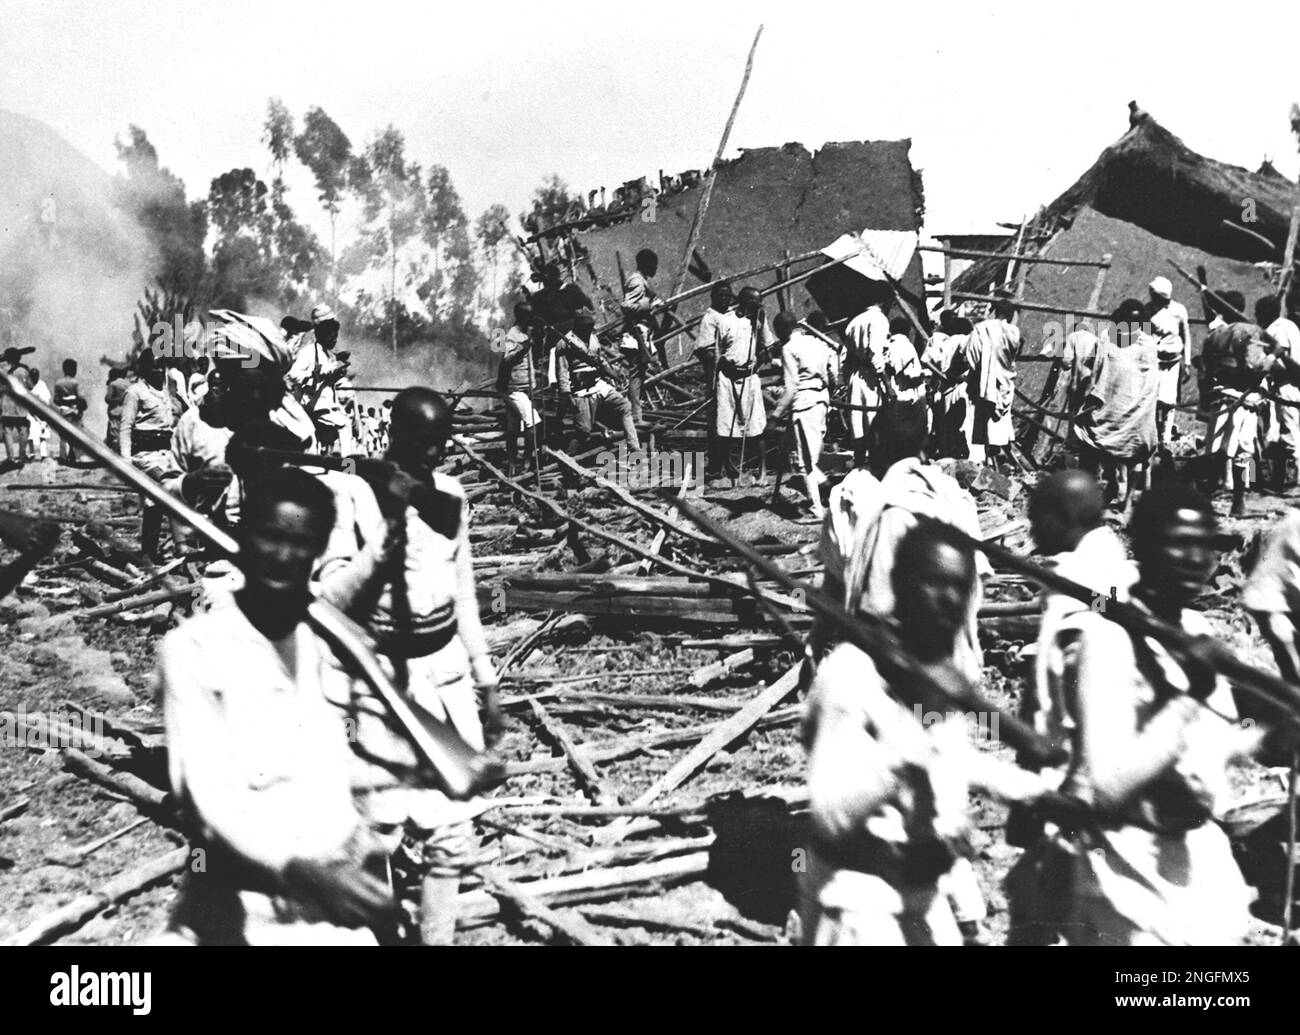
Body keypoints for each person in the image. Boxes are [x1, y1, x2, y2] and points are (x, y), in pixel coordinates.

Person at [1006, 486, 1264, 945]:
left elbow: (1211, 743)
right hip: (1128, 863)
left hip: (1198, 861)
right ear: (1143, 549)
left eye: (1204, 545)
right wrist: (1191, 693)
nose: (1193, 557)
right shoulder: (1109, 639)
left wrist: (1262, 737)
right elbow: (1109, 783)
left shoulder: (1198, 631)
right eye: (1178, 542)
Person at [158, 469, 396, 945]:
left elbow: (371, 770)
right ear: (242, 536)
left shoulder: (335, 644)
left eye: (302, 543)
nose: (284, 556)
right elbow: (208, 795)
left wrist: (377, 843)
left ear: (319, 550)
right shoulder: (195, 647)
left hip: (338, 901)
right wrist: (299, 870)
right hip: (240, 906)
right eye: (269, 537)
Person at [798, 522, 1054, 945]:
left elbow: (950, 758)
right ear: (899, 582)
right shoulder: (850, 674)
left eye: (960, 587)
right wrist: (906, 743)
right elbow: (830, 814)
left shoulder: (930, 669)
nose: (949, 599)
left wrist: (1029, 790)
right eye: (935, 583)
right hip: (859, 907)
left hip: (921, 899)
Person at [315, 387, 503, 945]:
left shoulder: (448, 495)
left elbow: (464, 597)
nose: (435, 452)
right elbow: (330, 599)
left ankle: (436, 939)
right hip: (377, 684)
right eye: (422, 440)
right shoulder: (349, 494)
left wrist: (486, 681)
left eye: (442, 440)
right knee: (378, 833)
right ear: (392, 434)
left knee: (452, 838)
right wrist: (381, 546)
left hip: (443, 678)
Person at [1070, 301, 1160, 509]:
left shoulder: (1147, 345)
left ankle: (1127, 501)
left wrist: (1144, 408)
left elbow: (1150, 381)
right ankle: (1107, 485)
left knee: (1135, 452)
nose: (1130, 328)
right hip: (1111, 404)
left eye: (1134, 324)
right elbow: (1094, 368)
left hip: (1137, 410)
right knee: (1099, 442)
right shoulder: (1107, 340)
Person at [1199, 307, 1276, 516]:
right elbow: (1254, 366)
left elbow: (1205, 369)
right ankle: (1238, 501)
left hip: (1220, 396)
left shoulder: (1214, 336)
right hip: (1243, 399)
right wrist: (1270, 361)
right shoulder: (1250, 331)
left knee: (1216, 449)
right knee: (1243, 452)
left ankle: (1208, 498)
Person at [771, 311, 839, 518]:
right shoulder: (819, 343)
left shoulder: (788, 348)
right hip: (821, 400)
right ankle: (823, 486)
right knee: (793, 446)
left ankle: (817, 506)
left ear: (783, 329)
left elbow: (791, 387)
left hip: (804, 403)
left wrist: (775, 415)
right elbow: (833, 374)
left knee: (805, 462)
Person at [121, 350, 181, 560]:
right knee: (168, 486)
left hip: (165, 453)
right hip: (145, 455)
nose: (158, 371)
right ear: (144, 369)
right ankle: (178, 549)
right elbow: (126, 427)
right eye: (153, 367)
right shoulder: (135, 392)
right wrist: (126, 459)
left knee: (155, 500)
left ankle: (150, 551)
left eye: (161, 367)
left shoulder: (165, 392)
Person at [557, 308, 640, 456]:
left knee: (625, 407)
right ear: (578, 325)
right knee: (583, 432)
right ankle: (566, 459)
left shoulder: (593, 339)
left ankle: (634, 449)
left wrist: (614, 375)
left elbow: (600, 361)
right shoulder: (565, 343)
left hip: (598, 385)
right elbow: (562, 371)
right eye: (587, 326)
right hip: (580, 391)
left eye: (591, 326)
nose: (590, 329)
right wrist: (567, 394)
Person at [709, 285, 770, 484]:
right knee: (726, 425)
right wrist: (726, 366)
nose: (758, 307)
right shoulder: (726, 321)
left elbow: (767, 349)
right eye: (754, 304)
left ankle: (762, 472)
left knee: (757, 425)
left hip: (750, 379)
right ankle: (732, 473)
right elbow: (718, 353)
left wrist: (756, 364)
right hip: (727, 379)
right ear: (743, 303)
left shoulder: (759, 321)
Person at [964, 289, 1020, 468]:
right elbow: (1012, 357)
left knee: (982, 426)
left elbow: (971, 355)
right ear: (1010, 315)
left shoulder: (982, 329)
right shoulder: (1013, 332)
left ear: (995, 311)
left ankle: (986, 464)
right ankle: (998, 462)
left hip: (983, 384)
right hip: (1004, 382)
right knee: (998, 426)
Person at [287, 303, 352, 455]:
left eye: (335, 336)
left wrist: (337, 373)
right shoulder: (309, 352)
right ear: (321, 334)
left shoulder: (326, 355)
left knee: (315, 444)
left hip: (323, 405)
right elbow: (293, 374)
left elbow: (326, 380)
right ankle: (350, 468)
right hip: (312, 406)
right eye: (332, 336)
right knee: (345, 425)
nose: (335, 340)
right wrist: (316, 375)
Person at [843, 285, 892, 469]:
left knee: (858, 424)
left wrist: (847, 380)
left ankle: (859, 467)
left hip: (856, 377)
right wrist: (888, 385)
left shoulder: (855, 322)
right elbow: (875, 353)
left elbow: (846, 357)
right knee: (874, 424)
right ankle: (873, 470)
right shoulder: (879, 319)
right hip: (872, 378)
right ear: (883, 300)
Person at [1256, 295, 1300, 492]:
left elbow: (1281, 362)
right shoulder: (1288, 326)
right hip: (1280, 386)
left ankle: (1295, 482)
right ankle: (1277, 479)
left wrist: (1262, 365)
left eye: (1258, 314)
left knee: (1289, 435)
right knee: (1277, 437)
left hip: (1284, 385)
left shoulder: (1279, 330)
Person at [694, 281, 735, 480]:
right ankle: (716, 465)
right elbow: (704, 350)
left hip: (732, 378)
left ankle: (728, 463)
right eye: (720, 296)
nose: (724, 299)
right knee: (717, 422)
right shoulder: (710, 319)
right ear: (713, 297)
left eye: (728, 295)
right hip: (717, 378)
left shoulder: (732, 316)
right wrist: (724, 362)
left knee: (730, 421)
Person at [1147, 276, 1192, 452]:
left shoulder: (1179, 310)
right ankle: (1151, 436)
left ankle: (1165, 440)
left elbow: (1186, 336)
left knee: (1169, 401)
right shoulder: (1148, 311)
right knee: (1152, 399)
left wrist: (1187, 363)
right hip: (1155, 361)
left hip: (1173, 362)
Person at [496, 302, 541, 476]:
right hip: (513, 389)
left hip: (522, 387)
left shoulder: (525, 333)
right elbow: (507, 360)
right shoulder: (512, 336)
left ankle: (512, 463)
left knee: (513, 427)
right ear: (520, 316)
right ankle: (527, 461)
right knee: (533, 422)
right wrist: (523, 350)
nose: (530, 318)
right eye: (528, 315)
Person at [921, 310, 973, 460]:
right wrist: (956, 375)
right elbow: (963, 360)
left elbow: (926, 360)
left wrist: (943, 375)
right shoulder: (963, 340)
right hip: (960, 386)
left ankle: (948, 465)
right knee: (962, 430)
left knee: (946, 431)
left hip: (945, 388)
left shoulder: (944, 341)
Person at [620, 248, 663, 417]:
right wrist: (649, 305)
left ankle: (636, 413)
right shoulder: (637, 281)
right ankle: (635, 415)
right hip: (635, 335)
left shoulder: (641, 280)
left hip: (641, 334)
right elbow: (627, 306)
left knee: (638, 375)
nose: (655, 268)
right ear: (646, 264)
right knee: (636, 376)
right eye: (653, 265)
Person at [1, 347, 35, 471]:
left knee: (7, 432)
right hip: (20, 405)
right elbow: (30, 386)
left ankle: (10, 458)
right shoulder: (23, 371)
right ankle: (21, 457)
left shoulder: (3, 370)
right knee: (23, 431)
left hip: (6, 405)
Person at [51, 359, 87, 466]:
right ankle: (75, 457)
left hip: (63, 411)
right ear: (73, 370)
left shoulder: (58, 383)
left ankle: (63, 457)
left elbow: (56, 400)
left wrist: (64, 400)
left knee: (63, 436)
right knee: (76, 435)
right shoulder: (75, 383)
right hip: (74, 411)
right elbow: (80, 398)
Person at [105, 364, 132, 454]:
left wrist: (116, 400)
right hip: (125, 412)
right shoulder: (129, 384)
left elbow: (108, 399)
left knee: (114, 435)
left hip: (115, 413)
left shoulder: (113, 384)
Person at [27, 367, 52, 461]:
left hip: (41, 411)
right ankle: (31, 453)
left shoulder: (42, 384)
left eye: (36, 375)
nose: (34, 377)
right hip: (31, 412)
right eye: (33, 375)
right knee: (30, 433)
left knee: (43, 433)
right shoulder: (28, 384)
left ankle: (43, 454)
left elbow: (47, 399)